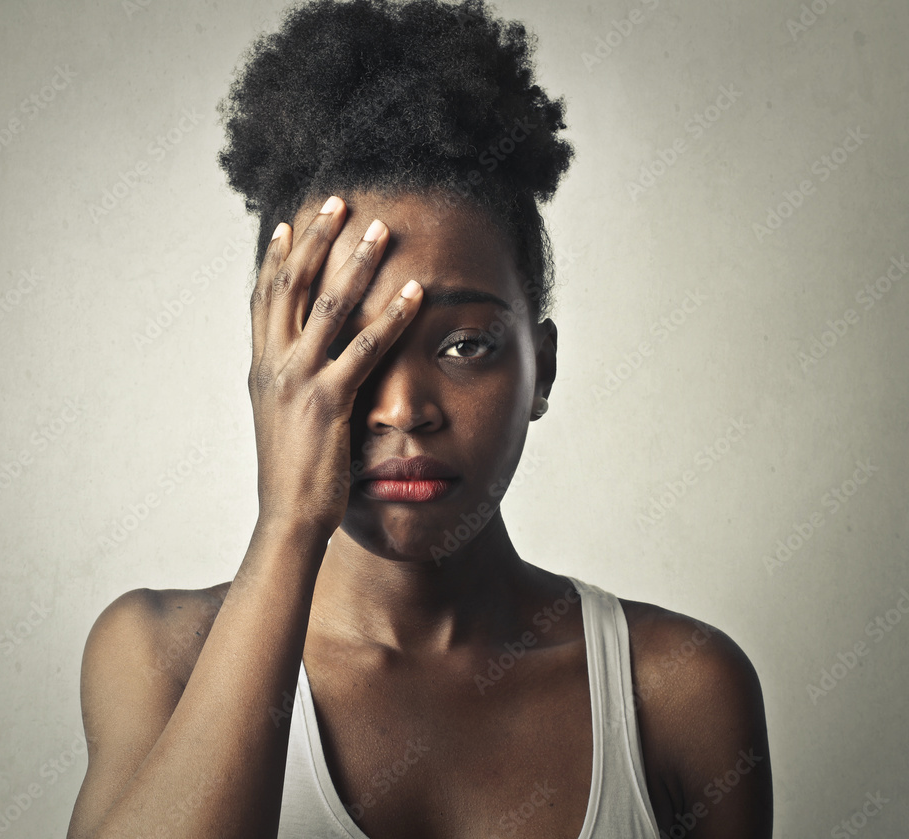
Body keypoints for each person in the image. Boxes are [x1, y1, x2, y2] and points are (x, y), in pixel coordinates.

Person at [66, 0, 773, 836]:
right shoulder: (157, 657)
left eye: (466, 344)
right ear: (273, 369)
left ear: (540, 368)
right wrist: (288, 525)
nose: (403, 408)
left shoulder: (680, 690)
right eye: (344, 341)